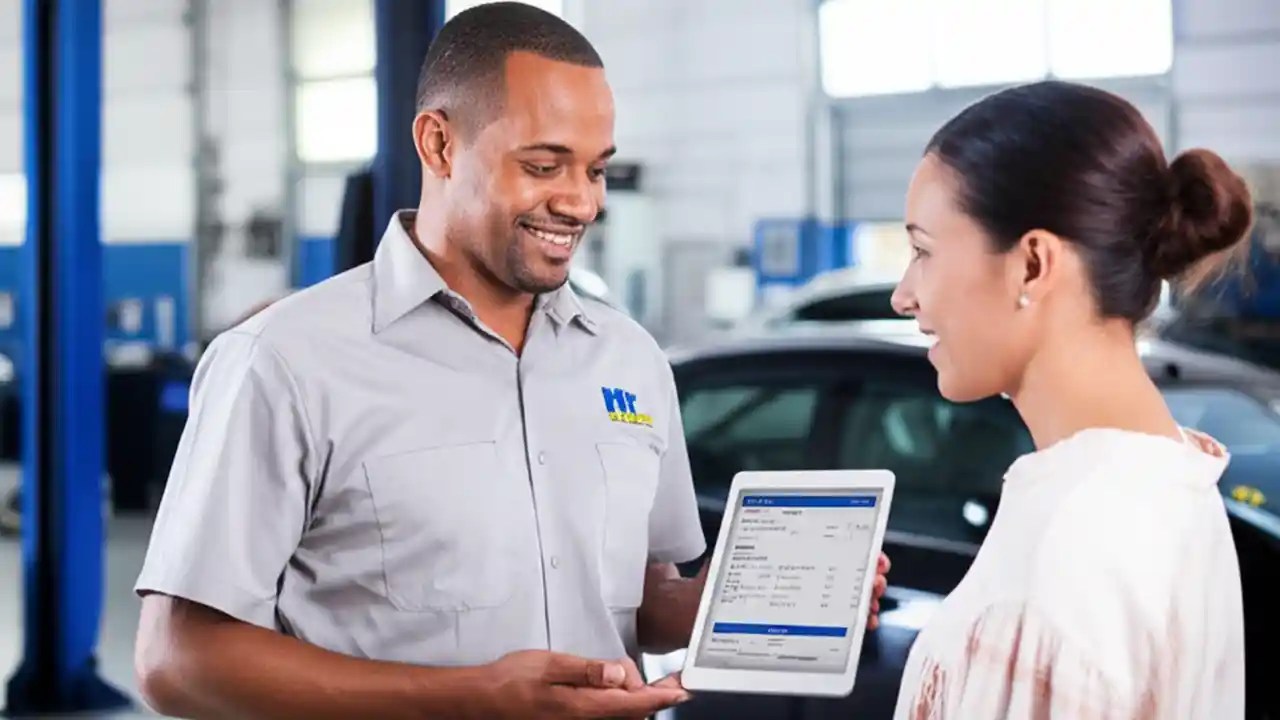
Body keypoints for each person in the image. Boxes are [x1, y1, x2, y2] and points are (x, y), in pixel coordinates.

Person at [133, 4, 889, 719]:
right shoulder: (284, 362)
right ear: (439, 144)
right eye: (545, 165)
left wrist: (768, 603)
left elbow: (641, 598)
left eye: (595, 170)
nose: (582, 203)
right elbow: (178, 661)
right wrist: (468, 698)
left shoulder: (628, 359)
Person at [888, 80, 1249, 719]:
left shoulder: (1063, 550)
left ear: (1032, 264)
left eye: (923, 251)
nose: (903, 295)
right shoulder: (1176, 483)